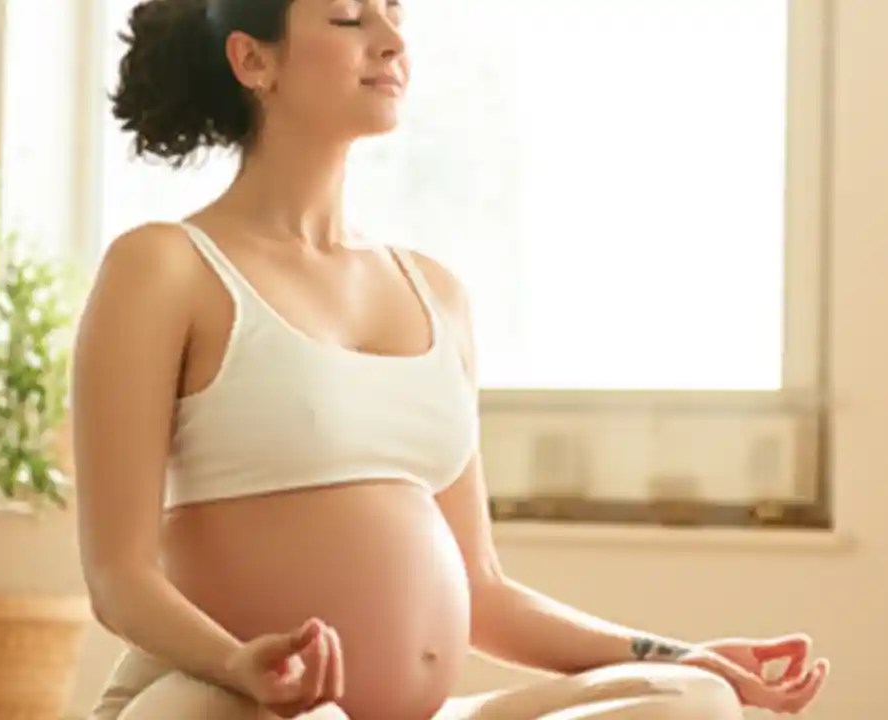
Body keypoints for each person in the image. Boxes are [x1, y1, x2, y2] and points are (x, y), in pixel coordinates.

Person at [72, 0, 832, 717]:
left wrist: (684, 654)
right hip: (216, 697)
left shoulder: (435, 293)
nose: (392, 38)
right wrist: (240, 664)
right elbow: (120, 579)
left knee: (692, 701)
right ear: (253, 61)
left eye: (395, 10)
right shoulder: (166, 267)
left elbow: (482, 590)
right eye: (348, 16)